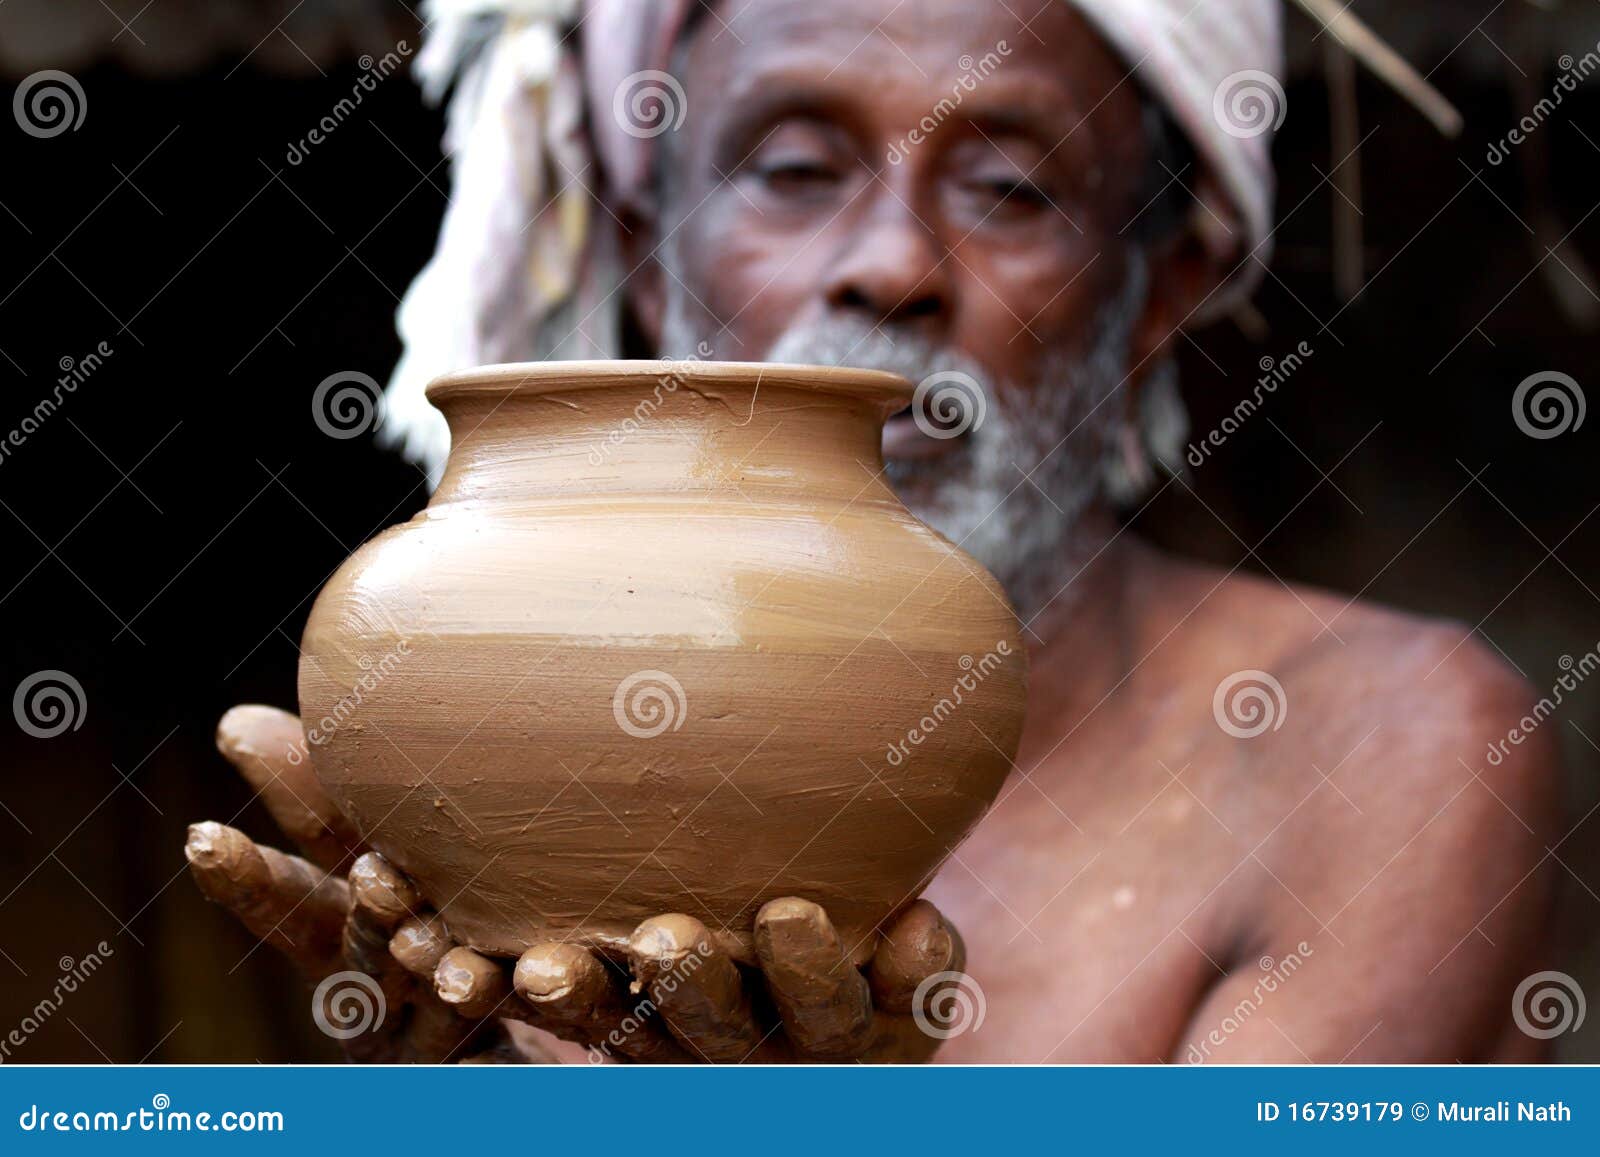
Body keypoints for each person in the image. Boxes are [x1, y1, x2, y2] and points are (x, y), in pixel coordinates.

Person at [188, 0, 1563, 1062]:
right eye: (794, 170)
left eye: (1010, 189)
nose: (893, 265)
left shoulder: (1375, 740)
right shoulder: (505, 779)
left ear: (1158, 294)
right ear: (650, 269)